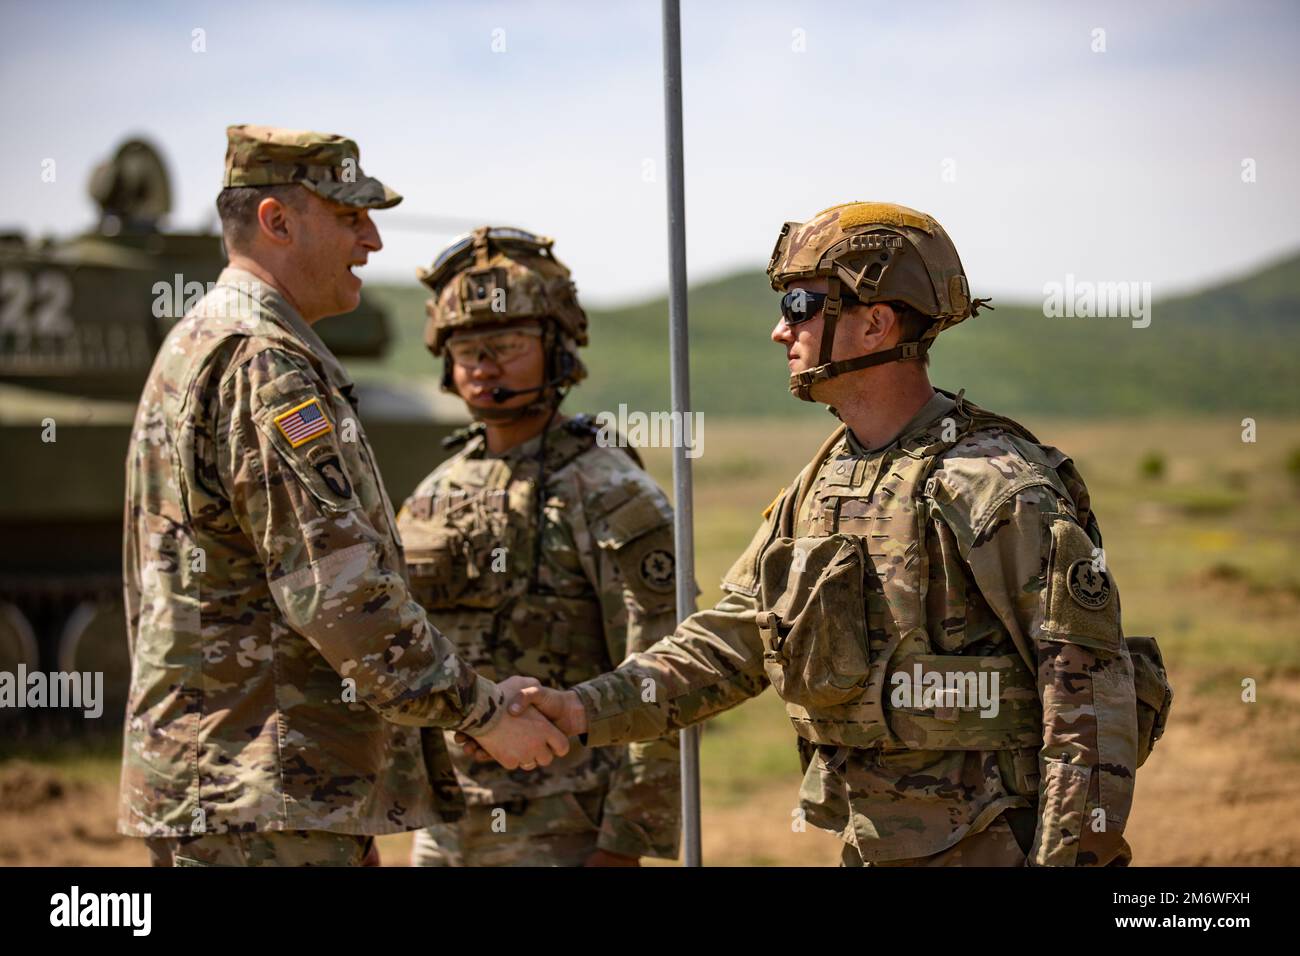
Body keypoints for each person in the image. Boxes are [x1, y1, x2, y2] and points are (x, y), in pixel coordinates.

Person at [480, 202, 1172, 867]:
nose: (781, 331)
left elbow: (1088, 695)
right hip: (874, 842)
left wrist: (1072, 860)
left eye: (801, 307)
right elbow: (734, 641)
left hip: (995, 843)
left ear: (874, 324)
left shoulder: (989, 482)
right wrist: (580, 707)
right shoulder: (822, 481)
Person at [120, 126, 567, 868]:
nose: (374, 241)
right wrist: (484, 711)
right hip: (263, 796)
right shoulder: (266, 364)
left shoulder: (204, 341)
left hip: (243, 789)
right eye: (351, 216)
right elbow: (341, 595)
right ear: (277, 221)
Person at [396, 227, 682, 866]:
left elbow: (660, 674)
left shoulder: (608, 490)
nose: (481, 364)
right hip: (447, 826)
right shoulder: (432, 492)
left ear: (555, 349)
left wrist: (628, 842)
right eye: (465, 347)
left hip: (567, 828)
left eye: (505, 344)